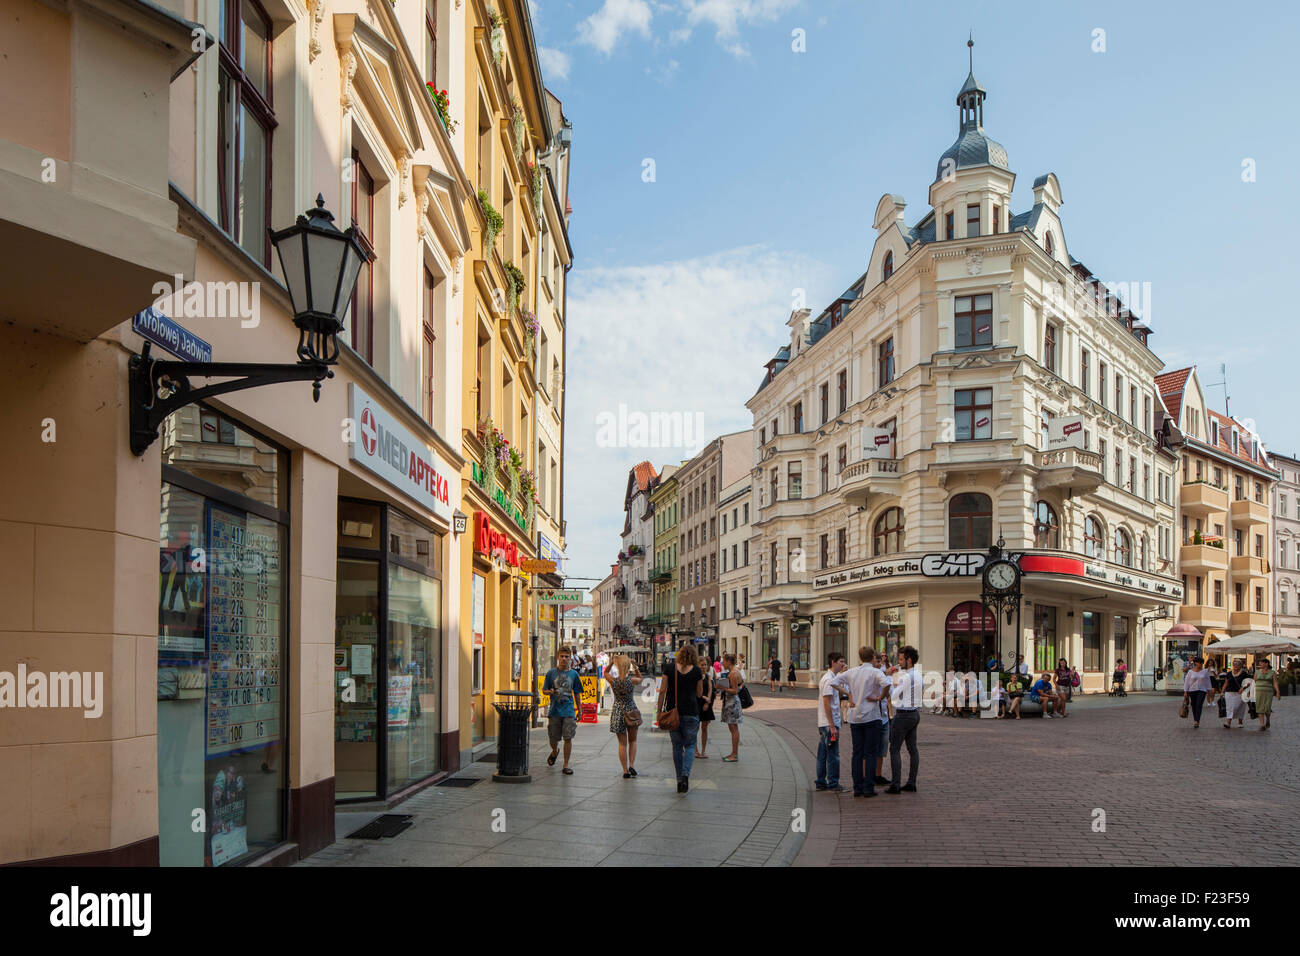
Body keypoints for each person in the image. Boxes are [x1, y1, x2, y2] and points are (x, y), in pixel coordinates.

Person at [842, 646, 888, 797]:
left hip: (855, 716)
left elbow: (834, 682)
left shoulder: (852, 671)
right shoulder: (875, 672)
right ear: (872, 657)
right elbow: (886, 684)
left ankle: (857, 787)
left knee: (857, 752)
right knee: (870, 753)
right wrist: (880, 698)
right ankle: (868, 787)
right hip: (872, 715)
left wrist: (849, 694)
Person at [657, 645, 705, 793]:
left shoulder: (669, 669)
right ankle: (685, 775)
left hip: (673, 712)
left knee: (677, 746)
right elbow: (699, 693)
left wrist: (658, 712)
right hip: (691, 712)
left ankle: (679, 780)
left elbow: (662, 691)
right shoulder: (697, 671)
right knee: (690, 745)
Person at [886, 645, 922, 794]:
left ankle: (895, 784)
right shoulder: (918, 674)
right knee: (912, 749)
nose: (898, 662)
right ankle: (911, 782)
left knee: (894, 749)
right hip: (914, 714)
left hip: (903, 715)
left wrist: (888, 677)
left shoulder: (906, 676)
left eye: (901, 659)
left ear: (908, 660)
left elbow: (893, 695)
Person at [815, 652, 852, 792]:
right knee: (833, 755)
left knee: (823, 754)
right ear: (833, 662)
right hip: (828, 723)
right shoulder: (828, 680)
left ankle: (821, 781)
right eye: (841, 661)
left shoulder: (832, 678)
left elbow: (842, 689)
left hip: (825, 722)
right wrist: (832, 725)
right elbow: (827, 703)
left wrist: (849, 694)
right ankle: (833, 783)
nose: (843, 664)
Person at [543, 646, 583, 774]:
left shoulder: (574, 674)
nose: (564, 659)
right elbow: (544, 690)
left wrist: (579, 710)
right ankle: (555, 751)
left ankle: (566, 765)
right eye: (562, 656)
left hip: (569, 710)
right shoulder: (551, 673)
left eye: (567, 657)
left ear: (570, 659)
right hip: (554, 710)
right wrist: (549, 692)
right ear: (558, 657)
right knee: (553, 738)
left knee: (568, 737)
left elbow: (577, 693)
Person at [606, 654, 642, 778]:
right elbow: (640, 678)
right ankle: (632, 765)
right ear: (627, 667)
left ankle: (625, 770)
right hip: (631, 711)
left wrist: (611, 663)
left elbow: (605, 672)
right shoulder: (631, 681)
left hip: (618, 712)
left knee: (622, 744)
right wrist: (635, 666)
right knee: (633, 741)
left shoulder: (613, 681)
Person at [718, 652, 744, 760]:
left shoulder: (733, 673)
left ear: (728, 661)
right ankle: (734, 753)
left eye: (724, 661)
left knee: (733, 728)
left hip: (732, 703)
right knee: (734, 728)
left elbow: (734, 690)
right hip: (733, 702)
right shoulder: (735, 672)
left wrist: (722, 687)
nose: (722, 663)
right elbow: (742, 683)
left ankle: (734, 754)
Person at [873, 651, 893, 785]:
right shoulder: (868, 675)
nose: (879, 664)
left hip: (884, 717)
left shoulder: (884, 676)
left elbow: (890, 693)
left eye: (881, 661)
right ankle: (868, 776)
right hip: (872, 717)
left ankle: (878, 774)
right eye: (877, 661)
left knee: (882, 749)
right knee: (870, 749)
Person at [1182, 656, 1213, 728]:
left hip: (1202, 690)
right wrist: (1185, 692)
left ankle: (1197, 721)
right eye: (1200, 663)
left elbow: (1207, 681)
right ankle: (1195, 719)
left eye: (1202, 663)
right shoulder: (1190, 672)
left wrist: (1209, 690)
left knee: (1199, 705)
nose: (1201, 664)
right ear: (1196, 663)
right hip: (1192, 690)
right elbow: (1187, 682)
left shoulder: (1205, 671)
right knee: (1194, 705)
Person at [1219, 659, 1250, 729]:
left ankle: (1240, 722)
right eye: (1234, 664)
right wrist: (1222, 692)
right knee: (1230, 708)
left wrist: (1243, 687)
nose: (1235, 665)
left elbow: (1248, 682)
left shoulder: (1244, 673)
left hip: (1240, 693)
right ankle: (1228, 722)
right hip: (1229, 692)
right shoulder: (1229, 673)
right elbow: (1226, 683)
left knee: (1239, 708)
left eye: (1237, 664)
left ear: (1240, 665)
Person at [697, 655, 715, 759]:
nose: (703, 667)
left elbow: (710, 689)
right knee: (694, 728)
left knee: (704, 728)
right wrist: (704, 698)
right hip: (697, 703)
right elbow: (696, 692)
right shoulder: (695, 676)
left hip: (706, 704)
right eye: (701, 665)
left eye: (705, 665)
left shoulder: (708, 676)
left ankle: (703, 751)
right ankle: (695, 750)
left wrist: (708, 701)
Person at [1254, 658, 1279, 731]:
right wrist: (1250, 692)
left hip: (1268, 692)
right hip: (1258, 691)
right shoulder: (1257, 672)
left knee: (1267, 708)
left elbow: (1275, 682)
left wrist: (1278, 692)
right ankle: (1262, 725)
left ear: (1266, 664)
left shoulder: (1272, 672)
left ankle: (1268, 719)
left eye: (1261, 663)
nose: (1260, 664)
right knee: (1259, 708)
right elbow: (1254, 682)